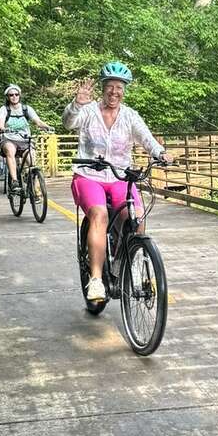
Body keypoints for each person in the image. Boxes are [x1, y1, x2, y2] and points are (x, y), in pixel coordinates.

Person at [63, 61, 173, 302]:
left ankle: (127, 265)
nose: (114, 92)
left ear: (124, 90)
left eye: (119, 87)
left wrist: (160, 153)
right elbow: (68, 123)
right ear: (103, 88)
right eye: (110, 86)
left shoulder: (130, 116)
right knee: (100, 215)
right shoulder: (89, 111)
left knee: (137, 220)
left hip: (119, 176)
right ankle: (95, 280)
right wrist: (76, 105)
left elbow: (147, 138)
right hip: (88, 175)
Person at [0, 84, 51, 192]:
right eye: (11, 95)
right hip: (9, 138)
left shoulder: (26, 108)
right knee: (10, 151)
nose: (14, 97)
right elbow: (0, 123)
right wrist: (3, 128)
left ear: (20, 95)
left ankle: (36, 191)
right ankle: (15, 181)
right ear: (7, 97)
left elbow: (37, 121)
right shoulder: (4, 109)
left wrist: (47, 127)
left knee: (32, 163)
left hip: (25, 139)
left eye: (16, 94)